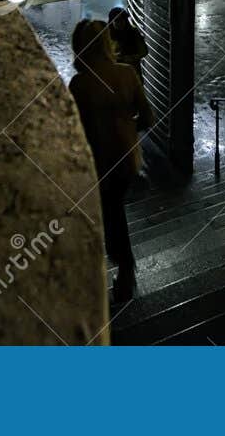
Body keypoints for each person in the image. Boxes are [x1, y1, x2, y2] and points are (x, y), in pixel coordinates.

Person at [68, 18, 153, 304]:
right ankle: (124, 267)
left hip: (98, 163)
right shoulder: (127, 74)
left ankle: (120, 267)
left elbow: (73, 130)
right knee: (114, 211)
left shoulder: (79, 84)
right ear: (108, 44)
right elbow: (148, 117)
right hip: (127, 159)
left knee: (109, 214)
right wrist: (126, 129)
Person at [107, 6, 149, 75]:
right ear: (112, 22)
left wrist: (130, 58)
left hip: (132, 71)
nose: (119, 23)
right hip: (115, 73)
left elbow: (144, 51)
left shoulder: (133, 32)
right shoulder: (108, 35)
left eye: (122, 20)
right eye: (116, 20)